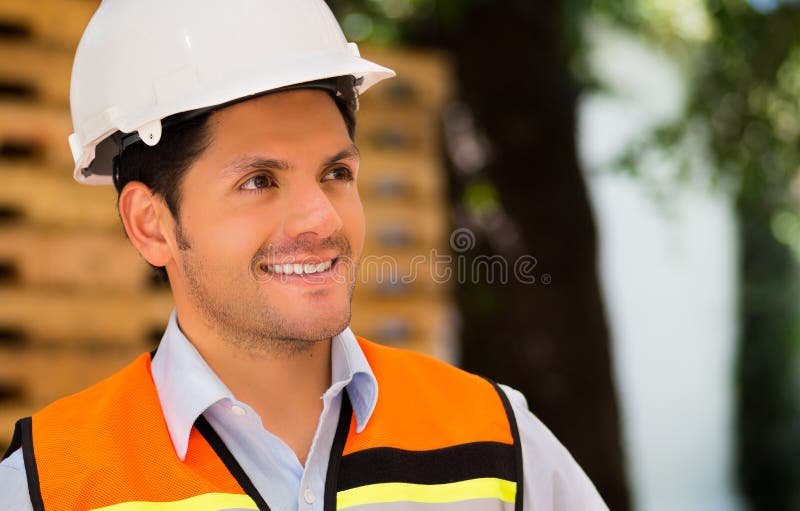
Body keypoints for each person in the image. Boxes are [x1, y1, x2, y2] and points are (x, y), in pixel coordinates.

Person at [0, 1, 609, 510]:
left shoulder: (498, 443)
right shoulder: (51, 485)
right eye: (259, 181)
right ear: (150, 224)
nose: (322, 218)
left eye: (336, 172)